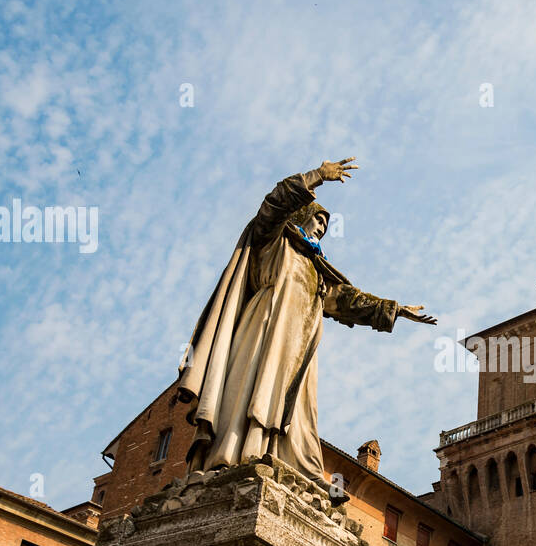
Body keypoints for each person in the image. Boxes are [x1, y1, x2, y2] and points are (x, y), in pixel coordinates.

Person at [177, 157, 435, 496]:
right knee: (254, 389)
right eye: (316, 221)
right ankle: (241, 453)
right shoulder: (272, 241)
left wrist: (395, 309)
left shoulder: (316, 270)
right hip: (264, 332)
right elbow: (273, 205)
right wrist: (316, 177)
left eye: (325, 227)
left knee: (297, 409)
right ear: (299, 216)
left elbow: (347, 300)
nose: (320, 229)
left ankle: (289, 462)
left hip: (300, 350)